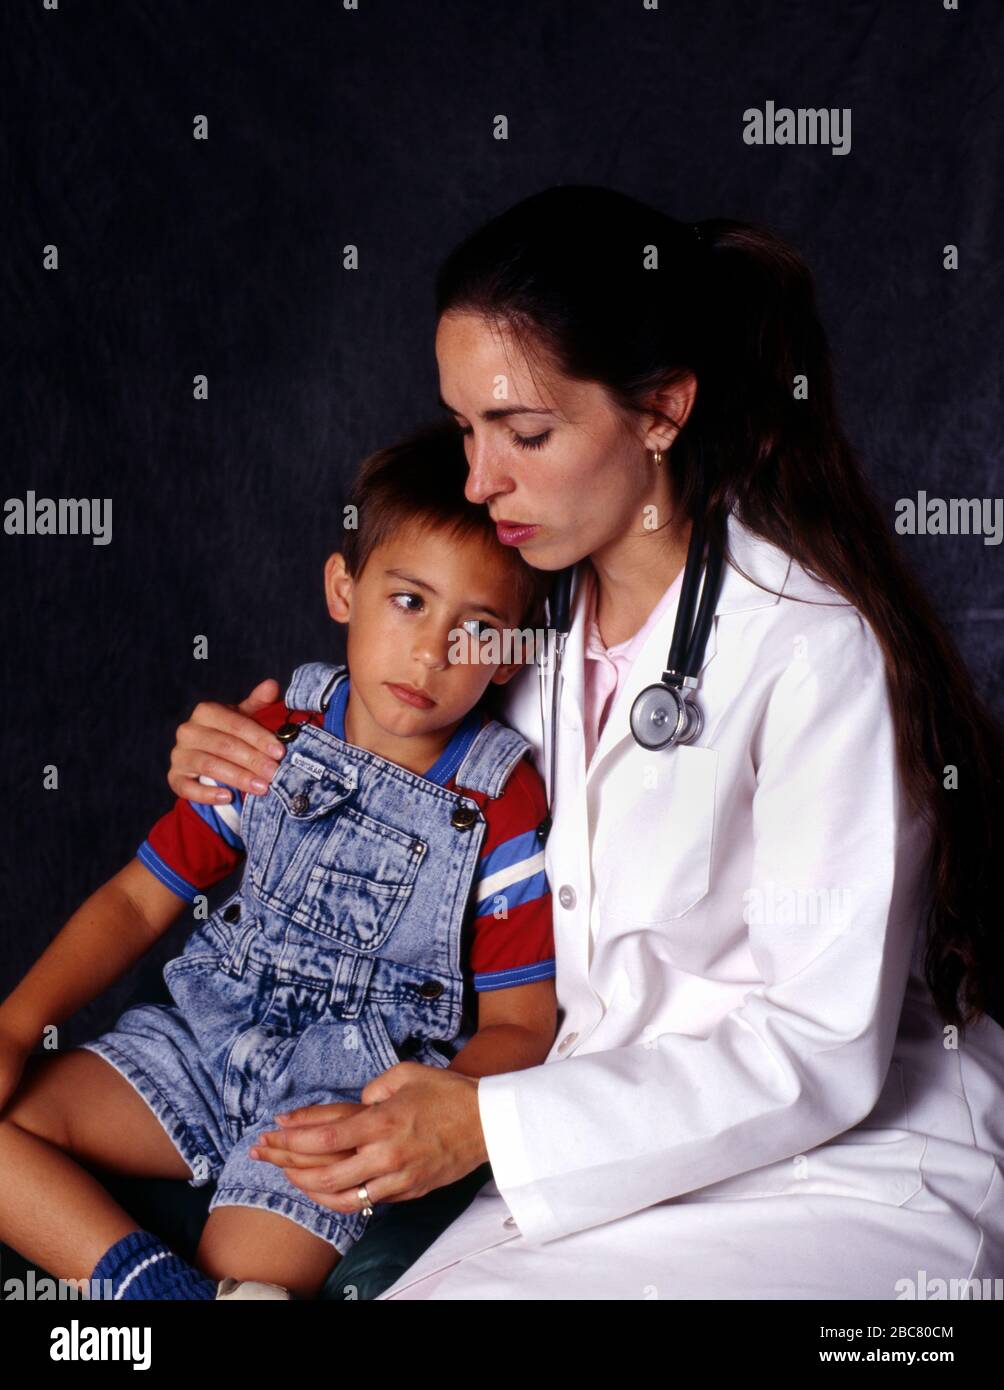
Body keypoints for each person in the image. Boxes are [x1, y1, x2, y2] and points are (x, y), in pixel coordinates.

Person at [162, 185, 1004, 1300]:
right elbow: (386, 779)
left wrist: (487, 1122)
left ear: (660, 411)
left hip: (825, 1170)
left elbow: (816, 1050)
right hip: (581, 1154)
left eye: (524, 432)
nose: (476, 481)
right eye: (465, 429)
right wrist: (251, 760)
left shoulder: (808, 651)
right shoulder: (515, 630)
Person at [0, 425, 558, 1300]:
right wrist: (15, 1023)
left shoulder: (499, 801)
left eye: (479, 629)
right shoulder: (267, 739)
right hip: (202, 1041)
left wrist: (418, 1115)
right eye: (410, 602)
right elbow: (139, 901)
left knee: (252, 1280)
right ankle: (148, 1289)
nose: (431, 653)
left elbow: (523, 1025)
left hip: (346, 1096)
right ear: (345, 587)